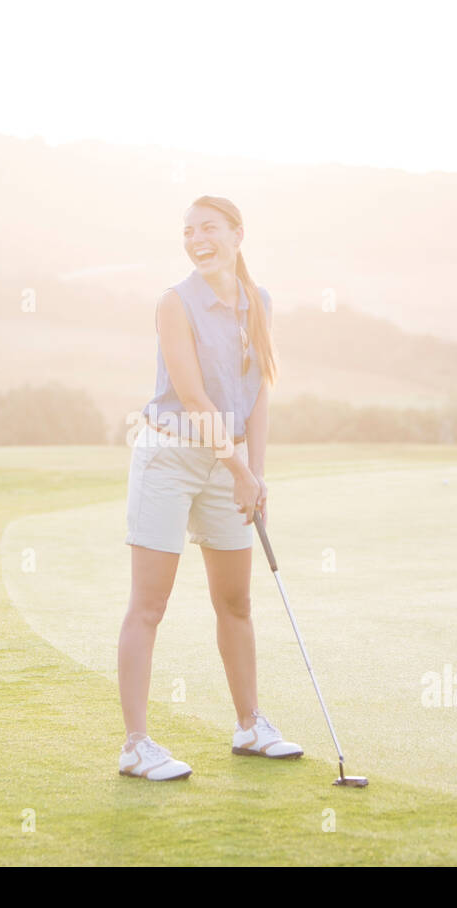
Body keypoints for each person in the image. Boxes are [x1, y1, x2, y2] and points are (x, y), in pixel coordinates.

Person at [116, 195, 303, 781]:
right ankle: (136, 746)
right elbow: (194, 398)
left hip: (230, 464)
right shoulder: (174, 303)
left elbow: (259, 394)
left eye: (210, 228)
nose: (198, 238)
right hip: (169, 457)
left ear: (238, 235)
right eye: (189, 230)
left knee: (236, 600)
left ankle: (250, 726)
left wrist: (257, 471)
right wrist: (239, 470)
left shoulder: (258, 302)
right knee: (149, 605)